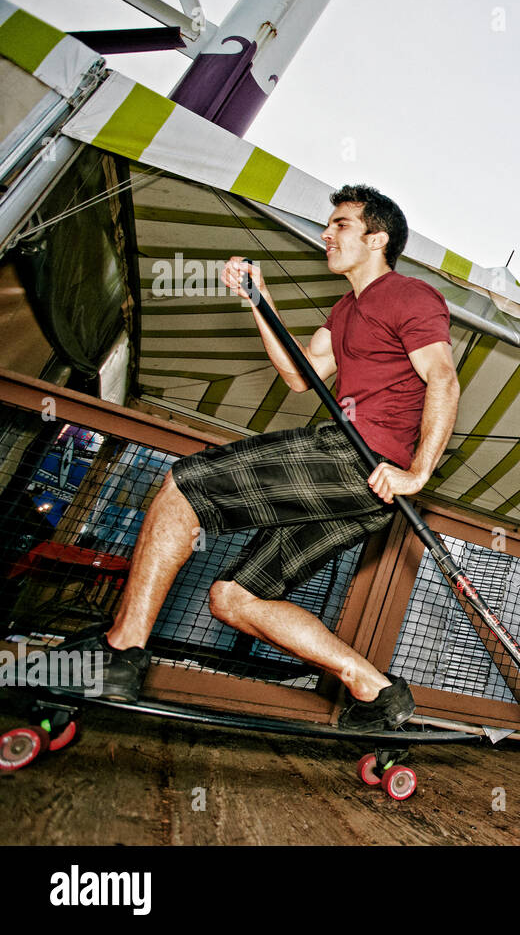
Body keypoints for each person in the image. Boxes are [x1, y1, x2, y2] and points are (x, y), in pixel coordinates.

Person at [51, 185, 459, 731]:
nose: (326, 235)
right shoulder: (345, 311)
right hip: (365, 491)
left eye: (340, 225)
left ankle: (120, 652)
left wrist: (418, 473)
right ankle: (376, 692)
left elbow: (443, 379)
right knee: (234, 598)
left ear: (377, 238)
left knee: (183, 486)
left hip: (358, 461)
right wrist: (257, 301)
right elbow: (297, 375)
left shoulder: (409, 295)